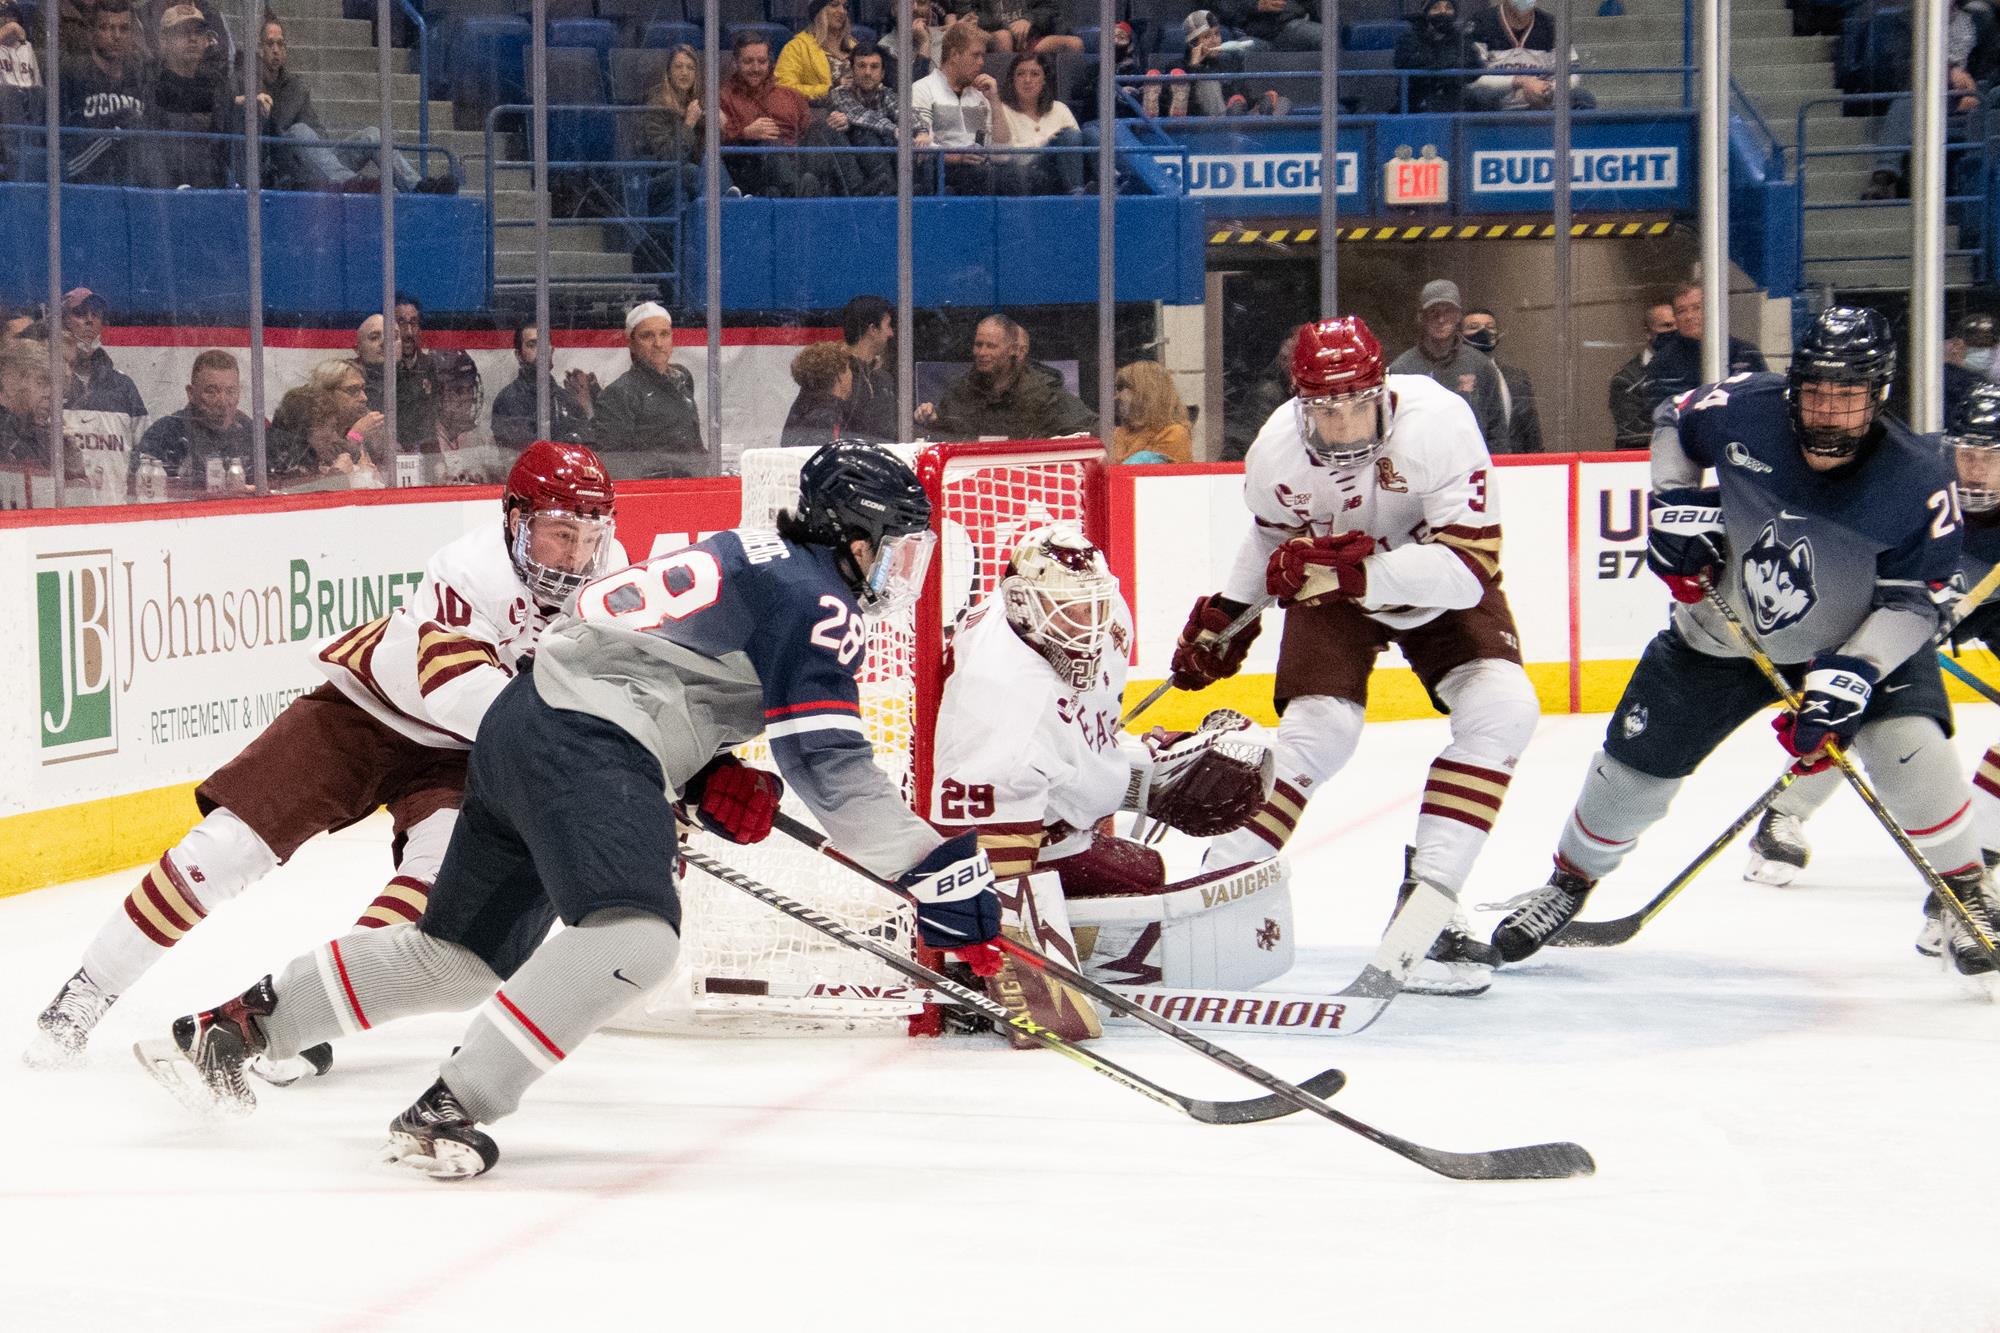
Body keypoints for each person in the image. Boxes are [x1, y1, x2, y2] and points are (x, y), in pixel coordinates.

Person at [138, 442, 1001, 1180]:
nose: (900, 572)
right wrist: (931, 868)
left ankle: (236, 1027)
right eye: (897, 549)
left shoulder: (757, 553)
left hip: (523, 727)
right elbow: (830, 765)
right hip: (589, 743)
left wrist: (699, 775)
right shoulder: (820, 598)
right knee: (637, 937)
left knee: (461, 955)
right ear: (853, 539)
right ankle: (450, 1105)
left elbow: (658, 670)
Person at [31, 442, 622, 1070]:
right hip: (367, 715)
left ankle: (296, 1014)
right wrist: (569, 758)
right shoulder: (470, 568)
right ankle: (86, 991)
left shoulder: (614, 580)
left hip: (466, 757)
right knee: (223, 851)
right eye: (560, 534)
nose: (577, 557)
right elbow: (457, 692)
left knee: (432, 890)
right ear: (514, 518)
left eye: (590, 538)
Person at [1486, 306, 2000, 979]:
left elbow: (1912, 601)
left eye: (1847, 399)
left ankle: (1965, 893)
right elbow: (1674, 415)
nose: (1826, 413)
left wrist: (1854, 673)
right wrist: (1673, 502)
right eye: (1815, 393)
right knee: (1630, 774)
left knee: (1913, 755)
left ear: (1877, 397)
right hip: (1723, 634)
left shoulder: (1919, 482)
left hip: (1855, 639)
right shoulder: (1744, 409)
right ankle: (1566, 884)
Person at [1175, 316, 1536, 995]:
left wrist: (1355, 574)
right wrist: (1229, 612)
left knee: (1504, 710)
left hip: (1427, 583)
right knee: (1320, 733)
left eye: (1354, 404)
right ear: (1301, 402)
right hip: (1331, 580)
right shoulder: (1277, 449)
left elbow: (1470, 568)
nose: (1340, 422)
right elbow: (1269, 536)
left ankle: (1426, 908)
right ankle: (1209, 895)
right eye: (1323, 407)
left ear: (1382, 391)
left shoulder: (1441, 423)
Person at [931, 525, 1279, 1042]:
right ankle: (952, 966)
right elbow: (990, 859)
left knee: (1146, 870)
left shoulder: (1107, 621)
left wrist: (1142, 770)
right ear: (1024, 607)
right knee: (1134, 895)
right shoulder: (1001, 706)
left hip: (1044, 807)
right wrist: (1022, 983)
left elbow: (1081, 733)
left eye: (1093, 606)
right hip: (1002, 838)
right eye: (1070, 611)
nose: (1089, 625)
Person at [1741, 382, 2000, 912]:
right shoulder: (1917, 472)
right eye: (1967, 454)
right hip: (1907, 593)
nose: (1974, 470)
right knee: (1866, 699)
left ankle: (1981, 861)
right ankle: (1784, 812)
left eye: (1991, 458)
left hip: (1986, 597)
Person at [230, 14, 427, 192]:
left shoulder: (295, 86)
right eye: (270, 44)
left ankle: (418, 186)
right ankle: (352, 183)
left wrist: (321, 155)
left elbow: (318, 133)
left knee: (372, 135)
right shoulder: (247, 80)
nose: (275, 50)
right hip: (283, 169)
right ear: (259, 48)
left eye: (280, 44)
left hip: (316, 162)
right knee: (299, 131)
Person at [1863, 0, 1996, 199]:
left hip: (1972, 97)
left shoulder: (1980, 20)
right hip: (1924, 95)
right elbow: (1902, 71)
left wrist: (1974, 91)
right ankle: (1884, 175)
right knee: (1906, 102)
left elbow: (1992, 65)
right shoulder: (1906, 21)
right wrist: (1948, 73)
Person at [921, 312, 1095, 440]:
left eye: (991, 346)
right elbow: (944, 434)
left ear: (1013, 349)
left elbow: (1090, 429)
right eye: (978, 345)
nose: (982, 352)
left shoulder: (1043, 392)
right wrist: (932, 419)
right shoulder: (960, 389)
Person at [720, 30, 851, 198]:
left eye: (761, 61)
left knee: (822, 131)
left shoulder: (790, 95)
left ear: (770, 63)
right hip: (754, 168)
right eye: (748, 62)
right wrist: (745, 133)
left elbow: (809, 134)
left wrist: (837, 121)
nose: (755, 68)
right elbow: (716, 148)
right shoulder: (723, 97)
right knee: (771, 145)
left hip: (796, 165)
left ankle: (857, 199)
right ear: (736, 63)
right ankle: (796, 195)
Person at [588, 300, 704, 477]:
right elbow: (614, 462)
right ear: (632, 344)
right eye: (647, 336)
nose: (658, 343)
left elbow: (693, 443)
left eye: (664, 334)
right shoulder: (620, 392)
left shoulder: (683, 379)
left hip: (692, 486)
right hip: (654, 492)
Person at [1387, 279, 1506, 448]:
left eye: (1448, 311)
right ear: (1421, 317)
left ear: (1459, 316)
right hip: (1420, 468)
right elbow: (1392, 433)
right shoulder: (1401, 370)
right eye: (1433, 312)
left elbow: (1497, 432)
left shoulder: (1480, 366)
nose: (1441, 319)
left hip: (1471, 469)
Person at [1642, 280, 1770, 413]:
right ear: (1675, 318)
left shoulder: (1746, 353)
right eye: (1681, 311)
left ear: (1714, 309)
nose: (1689, 316)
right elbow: (1660, 416)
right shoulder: (1663, 363)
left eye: (1697, 308)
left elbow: (1765, 403)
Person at [133, 348, 252, 486]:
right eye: (212, 392)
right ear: (191, 393)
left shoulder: (250, 433)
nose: (223, 402)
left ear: (239, 392)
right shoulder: (166, 434)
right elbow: (145, 492)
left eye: (231, 391)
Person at [60, 0, 148, 185]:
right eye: (106, 28)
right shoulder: (72, 72)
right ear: (91, 32)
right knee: (126, 120)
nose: (116, 36)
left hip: (133, 182)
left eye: (124, 29)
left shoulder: (142, 76)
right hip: (82, 179)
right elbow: (61, 143)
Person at [910, 20, 999, 193]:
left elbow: (1003, 149)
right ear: (954, 55)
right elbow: (922, 147)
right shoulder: (923, 89)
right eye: (975, 55)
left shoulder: (980, 96)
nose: (981, 62)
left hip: (980, 169)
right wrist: (958, 157)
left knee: (1019, 174)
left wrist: (995, 100)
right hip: (942, 170)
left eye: (983, 56)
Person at [266, 356, 387, 482]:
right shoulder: (306, 424)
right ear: (326, 391)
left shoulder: (368, 421)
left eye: (363, 389)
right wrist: (355, 437)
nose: (364, 397)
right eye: (353, 390)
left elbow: (394, 460)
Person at [149, 3, 227, 188]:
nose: (193, 38)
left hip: (210, 187)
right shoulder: (150, 81)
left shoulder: (215, 85)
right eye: (184, 31)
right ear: (164, 40)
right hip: (165, 191)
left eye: (199, 32)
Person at [1468, 0, 1593, 110]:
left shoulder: (1552, 25)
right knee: (1478, 95)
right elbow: (1472, 78)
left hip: (1543, 102)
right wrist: (1520, 81)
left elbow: (1572, 72)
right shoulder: (1481, 22)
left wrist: (1548, 90)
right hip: (1498, 104)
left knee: (1581, 97)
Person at [490, 322, 594, 451]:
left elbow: (587, 444)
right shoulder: (507, 400)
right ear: (518, 355)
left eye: (545, 344)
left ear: (552, 350)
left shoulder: (567, 399)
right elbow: (528, 451)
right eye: (532, 345)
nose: (541, 351)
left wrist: (587, 409)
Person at [990, 51, 1082, 194]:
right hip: (1024, 177)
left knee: (1080, 134)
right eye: (1020, 74)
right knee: (1066, 137)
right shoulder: (1002, 111)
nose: (1027, 80)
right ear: (1012, 79)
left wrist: (1054, 142)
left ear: (1044, 80)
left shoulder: (1059, 108)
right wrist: (1047, 142)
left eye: (1035, 74)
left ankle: (1082, 192)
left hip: (1059, 175)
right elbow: (1007, 156)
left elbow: (1076, 147)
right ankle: (1077, 196)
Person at [1460, 307, 1542, 454]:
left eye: (1490, 327)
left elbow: (1531, 431)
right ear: (1459, 335)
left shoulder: (1517, 377)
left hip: (1512, 466)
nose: (1483, 332)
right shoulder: (1451, 376)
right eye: (1473, 327)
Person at [1607, 299, 1679, 450]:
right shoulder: (1627, 380)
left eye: (1677, 324)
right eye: (1667, 326)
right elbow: (1633, 437)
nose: (1674, 330)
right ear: (1648, 332)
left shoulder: (1693, 369)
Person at [824, 43, 895, 195]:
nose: (867, 72)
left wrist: (920, 131)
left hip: (884, 165)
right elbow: (859, 114)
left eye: (874, 67)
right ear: (852, 70)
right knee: (864, 134)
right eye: (861, 66)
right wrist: (894, 129)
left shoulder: (887, 94)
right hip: (850, 179)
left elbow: (908, 115)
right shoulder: (839, 93)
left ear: (882, 73)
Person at [1394, 0, 1479, 115]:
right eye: (1436, 8)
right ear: (1426, 12)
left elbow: (1473, 65)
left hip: (1455, 106)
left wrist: (1442, 68)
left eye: (1448, 8)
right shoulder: (1409, 38)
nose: (1443, 12)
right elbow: (1409, 63)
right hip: (1416, 106)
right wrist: (1448, 66)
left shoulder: (1461, 38)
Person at [840, 293, 897, 440]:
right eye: (888, 326)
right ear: (872, 329)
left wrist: (917, 419)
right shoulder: (836, 375)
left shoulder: (884, 379)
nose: (891, 333)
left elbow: (891, 430)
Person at [1112, 359, 1192, 463]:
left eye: (1125, 388)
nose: (1118, 396)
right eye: (1119, 389)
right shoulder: (1119, 433)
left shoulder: (1173, 433)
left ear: (1147, 393)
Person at [779, 340, 851, 448]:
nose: (851, 375)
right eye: (849, 369)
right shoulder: (827, 418)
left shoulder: (800, 409)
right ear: (839, 376)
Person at [0, 336, 52, 464]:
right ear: (10, 380)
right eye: (40, 383)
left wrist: (73, 471)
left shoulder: (38, 435)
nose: (49, 394)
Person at [970, 0, 1081, 56]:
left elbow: (1050, 8)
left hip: (1030, 36)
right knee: (1004, 37)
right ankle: (1005, 96)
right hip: (992, 35)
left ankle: (1059, 100)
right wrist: (1006, 26)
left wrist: (1029, 19)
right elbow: (969, 14)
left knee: (1075, 44)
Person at [1214, 0, 1322, 53]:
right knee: (1325, 38)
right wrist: (1256, 5)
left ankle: (1334, 95)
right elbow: (1225, 8)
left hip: (1297, 21)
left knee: (1331, 37)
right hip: (1271, 30)